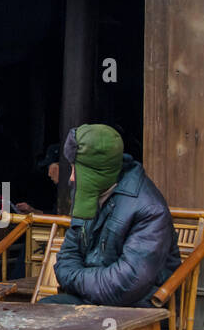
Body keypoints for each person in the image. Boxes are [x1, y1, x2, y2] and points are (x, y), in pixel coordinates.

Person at [45, 124, 181, 307]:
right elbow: (66, 257)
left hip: (137, 309)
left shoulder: (149, 209)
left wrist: (75, 279)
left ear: (97, 171)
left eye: (78, 170)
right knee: (41, 314)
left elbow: (125, 285)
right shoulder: (88, 194)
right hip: (91, 299)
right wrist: (81, 281)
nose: (72, 178)